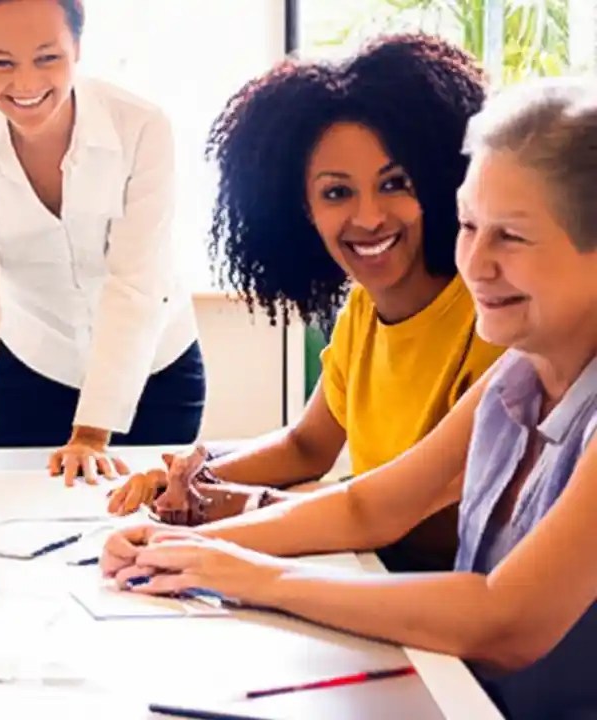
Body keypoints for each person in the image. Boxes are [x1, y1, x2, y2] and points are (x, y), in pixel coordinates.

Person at [101, 77, 597, 720]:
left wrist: (255, 576)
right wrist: (190, 548)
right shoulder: (517, 375)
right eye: (470, 225)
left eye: (513, 237)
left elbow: (507, 621)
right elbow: (368, 507)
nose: (475, 262)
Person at [106, 34, 504, 572]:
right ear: (302, 210)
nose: (368, 218)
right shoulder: (363, 310)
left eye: (395, 184)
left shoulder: (492, 315)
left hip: (443, 600)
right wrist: (196, 478)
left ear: (442, 183)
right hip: (380, 580)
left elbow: (432, 524)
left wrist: (235, 508)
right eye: (337, 193)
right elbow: (305, 445)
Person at [0, 0, 204, 495]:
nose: (26, 83)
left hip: (153, 374)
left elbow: (136, 281)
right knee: (18, 526)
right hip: (32, 368)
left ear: (77, 48)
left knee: (142, 531)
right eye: (1, 62)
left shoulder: (141, 127)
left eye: (48, 57)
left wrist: (92, 433)